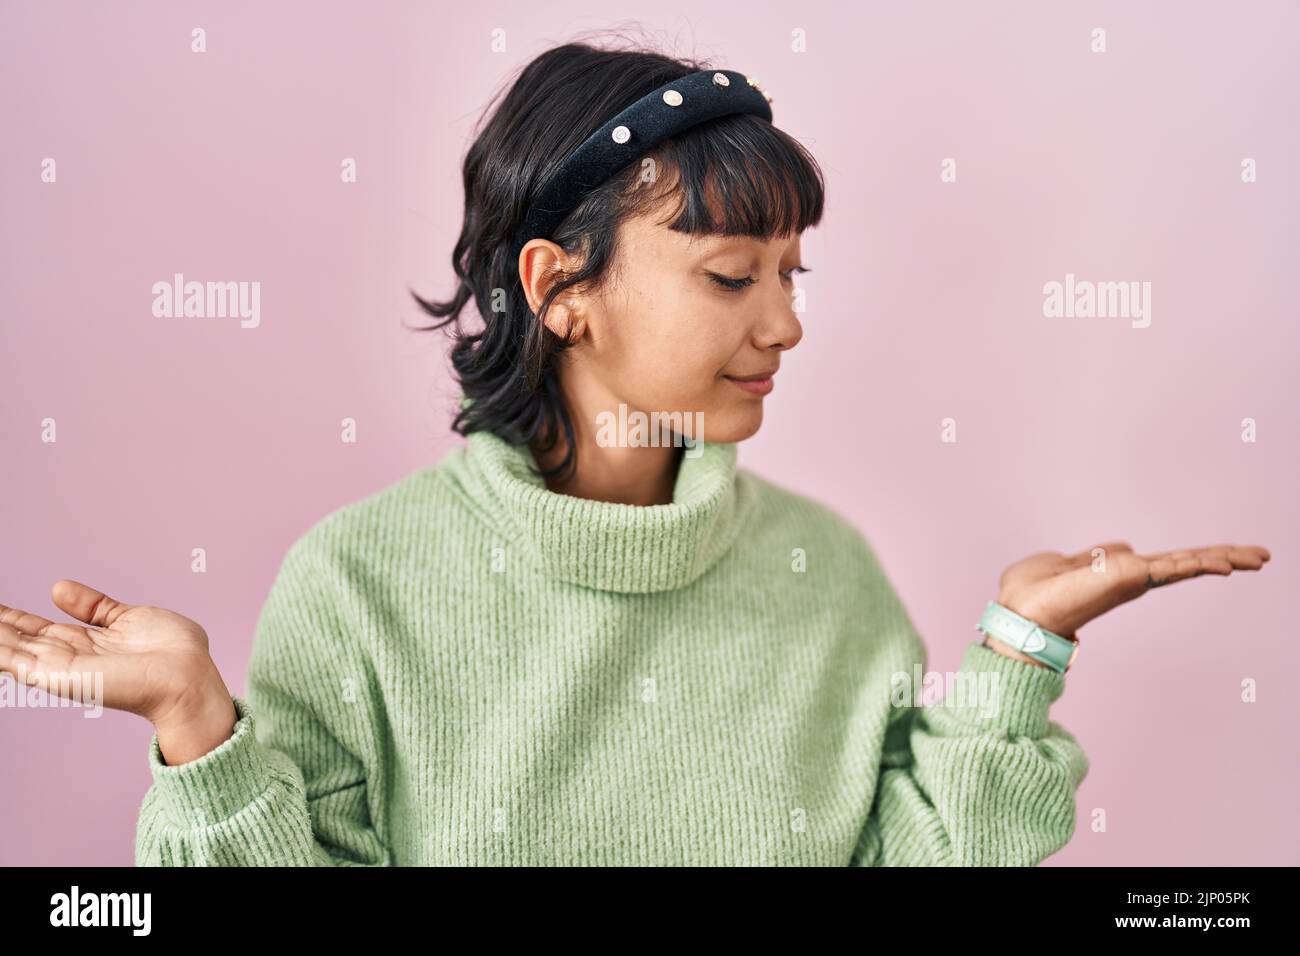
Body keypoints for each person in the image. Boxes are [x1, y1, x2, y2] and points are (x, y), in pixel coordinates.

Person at [0, 41, 1270, 866]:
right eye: (729, 275)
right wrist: (198, 726)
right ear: (560, 287)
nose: (784, 324)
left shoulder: (822, 568)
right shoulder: (358, 583)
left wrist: (1016, 649)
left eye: (790, 273)